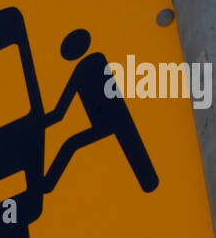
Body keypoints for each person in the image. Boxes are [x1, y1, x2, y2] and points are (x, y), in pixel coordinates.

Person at [44, 28, 159, 193]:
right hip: (108, 121)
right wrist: (43, 122)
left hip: (116, 119)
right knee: (72, 143)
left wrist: (44, 122)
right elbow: (61, 110)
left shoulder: (91, 64)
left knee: (72, 143)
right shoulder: (89, 64)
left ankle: (46, 186)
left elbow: (60, 111)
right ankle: (46, 185)